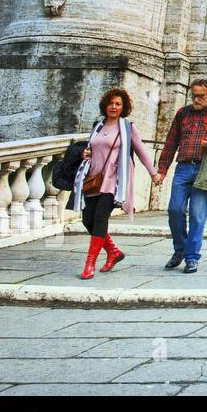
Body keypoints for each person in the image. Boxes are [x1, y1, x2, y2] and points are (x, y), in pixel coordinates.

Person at [73, 88, 160, 279]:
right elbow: (91, 147)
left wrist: (154, 174)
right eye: (111, 103)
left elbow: (142, 151)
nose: (114, 107)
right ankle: (114, 252)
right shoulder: (98, 126)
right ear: (105, 105)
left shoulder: (128, 128)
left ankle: (90, 264)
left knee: (100, 217)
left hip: (114, 180)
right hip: (94, 178)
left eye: (118, 104)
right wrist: (84, 153)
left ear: (124, 107)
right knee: (87, 219)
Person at [157, 79, 207, 274]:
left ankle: (191, 257)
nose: (197, 99)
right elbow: (171, 142)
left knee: (197, 215)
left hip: (205, 169)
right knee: (174, 209)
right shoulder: (182, 113)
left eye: (201, 96)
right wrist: (162, 170)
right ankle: (180, 249)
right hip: (183, 167)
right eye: (194, 95)